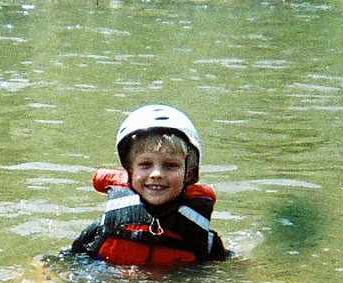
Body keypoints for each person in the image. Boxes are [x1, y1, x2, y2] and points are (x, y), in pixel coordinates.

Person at [68, 104, 230, 266]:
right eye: (145, 164)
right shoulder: (103, 228)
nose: (156, 174)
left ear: (189, 173)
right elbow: (64, 262)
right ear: (130, 170)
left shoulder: (205, 242)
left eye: (170, 165)